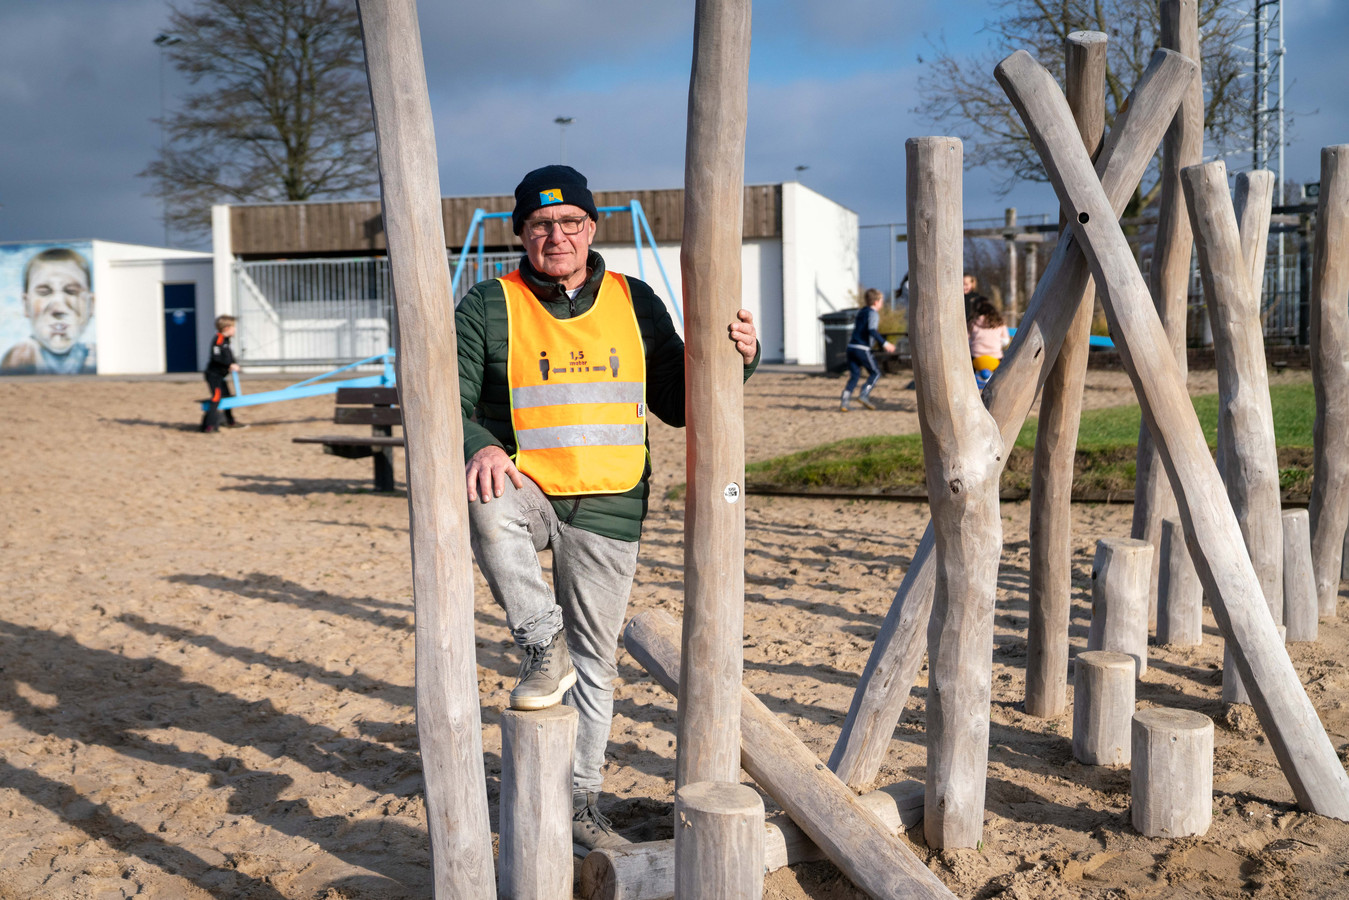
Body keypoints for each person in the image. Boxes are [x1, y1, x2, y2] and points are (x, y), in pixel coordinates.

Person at [455, 164, 760, 851]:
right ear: (521, 234)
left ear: (591, 228)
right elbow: (451, 393)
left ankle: (580, 801)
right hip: (528, 487)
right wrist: (479, 444)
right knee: (479, 493)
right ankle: (539, 639)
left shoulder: (635, 298)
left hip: (611, 503)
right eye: (540, 225)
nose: (555, 235)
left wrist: (739, 359)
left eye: (569, 223)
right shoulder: (486, 303)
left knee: (595, 661)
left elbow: (681, 403)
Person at [1, 247, 97, 375]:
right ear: (25, 304)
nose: (58, 308)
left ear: (91, 304)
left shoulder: (95, 357)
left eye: (72, 291)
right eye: (44, 292)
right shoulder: (21, 357)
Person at [839, 287, 894, 411]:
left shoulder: (861, 311)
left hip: (851, 347)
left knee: (855, 375)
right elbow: (872, 330)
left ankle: (844, 401)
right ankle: (864, 394)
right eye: (881, 301)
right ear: (876, 302)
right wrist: (885, 343)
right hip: (862, 348)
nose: (882, 304)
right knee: (875, 372)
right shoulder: (873, 313)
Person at [200, 315, 244, 432]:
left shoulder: (226, 340)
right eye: (233, 327)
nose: (235, 330)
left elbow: (229, 356)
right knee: (216, 397)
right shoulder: (218, 339)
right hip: (213, 375)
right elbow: (216, 357)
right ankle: (209, 426)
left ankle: (230, 421)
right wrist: (229, 365)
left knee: (228, 397)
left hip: (221, 376)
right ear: (226, 328)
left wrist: (234, 363)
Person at [968, 297, 1010, 390]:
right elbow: (1006, 341)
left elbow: (967, 340)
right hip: (995, 359)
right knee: (1004, 371)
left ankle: (969, 386)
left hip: (976, 360)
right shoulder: (999, 322)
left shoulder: (972, 322)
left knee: (967, 367)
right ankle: (1001, 387)